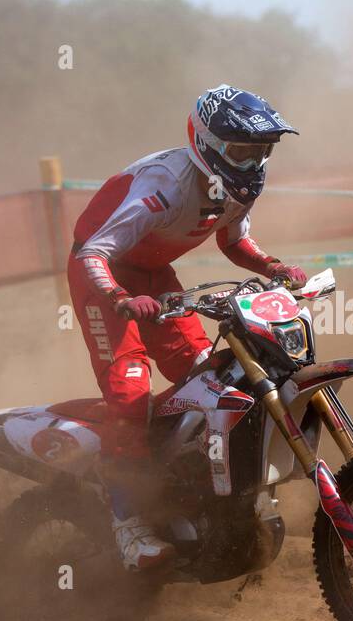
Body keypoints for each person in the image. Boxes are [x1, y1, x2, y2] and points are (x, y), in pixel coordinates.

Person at [67, 85, 306, 571]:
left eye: (261, 150)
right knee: (131, 388)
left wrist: (275, 268)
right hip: (105, 278)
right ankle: (127, 522)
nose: (253, 160)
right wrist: (119, 299)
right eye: (242, 150)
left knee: (212, 377)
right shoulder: (165, 186)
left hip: (154, 278)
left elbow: (235, 241)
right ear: (208, 144)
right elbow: (93, 250)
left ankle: (193, 494)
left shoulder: (234, 186)